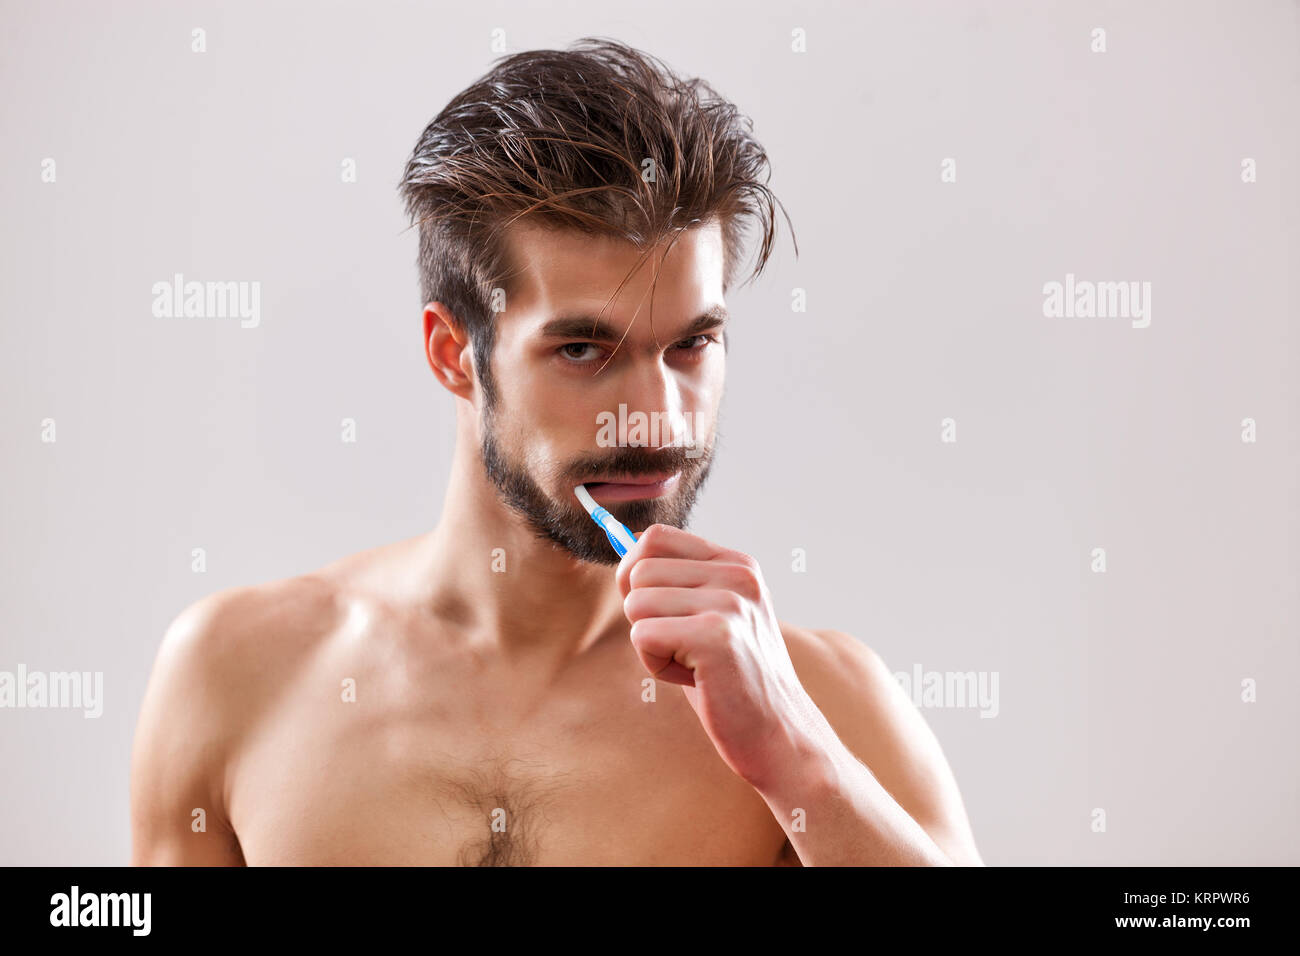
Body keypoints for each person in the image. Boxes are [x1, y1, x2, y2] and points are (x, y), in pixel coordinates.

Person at [130, 37, 983, 866]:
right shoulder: (236, 678)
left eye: (690, 344)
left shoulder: (821, 703)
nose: (654, 421)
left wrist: (796, 757)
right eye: (582, 349)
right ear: (454, 354)